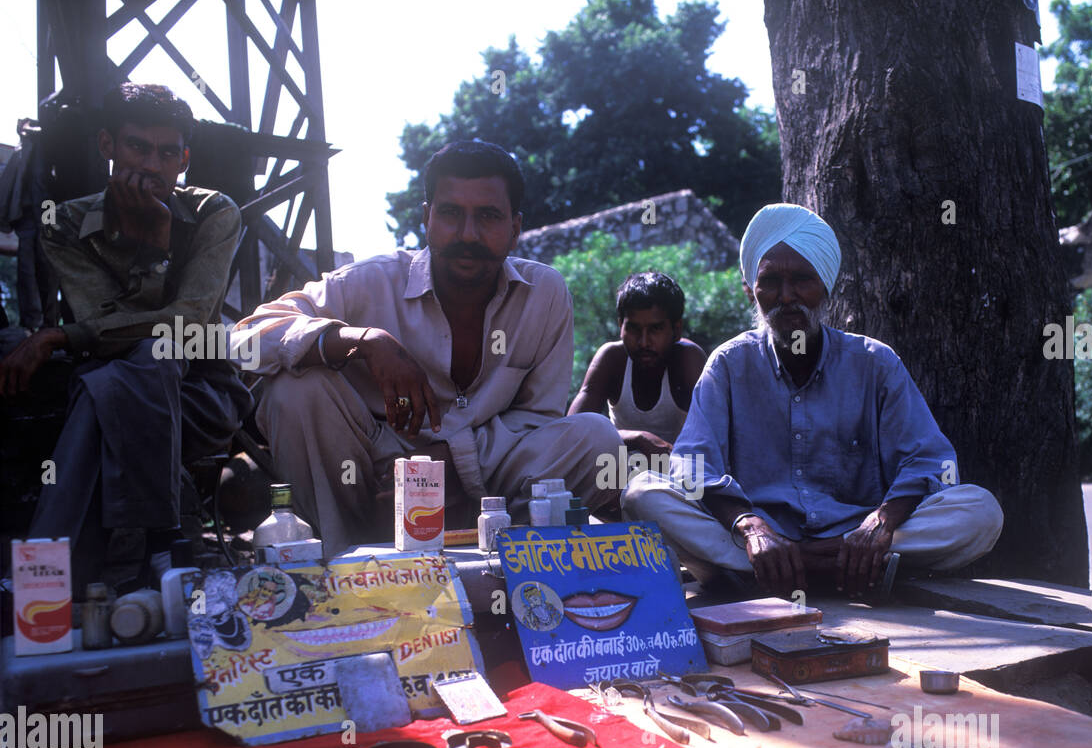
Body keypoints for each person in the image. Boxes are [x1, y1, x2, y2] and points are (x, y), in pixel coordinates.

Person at [231, 140, 621, 557]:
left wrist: (450, 464)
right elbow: (246, 338)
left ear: (515, 229)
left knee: (598, 439)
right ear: (426, 218)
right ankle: (346, 563)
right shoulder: (370, 281)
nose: (468, 235)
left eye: (488, 217)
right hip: (372, 472)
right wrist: (363, 341)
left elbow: (538, 418)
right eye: (451, 213)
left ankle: (511, 560)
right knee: (294, 391)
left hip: (489, 481)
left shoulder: (544, 292)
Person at [622, 202, 1004, 598]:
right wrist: (752, 528)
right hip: (761, 540)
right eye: (770, 282)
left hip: (859, 535)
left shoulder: (874, 363)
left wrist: (881, 523)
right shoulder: (729, 364)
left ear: (826, 285)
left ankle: (794, 569)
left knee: (980, 511)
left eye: (802, 279)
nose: (786, 297)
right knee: (642, 494)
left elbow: (930, 462)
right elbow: (691, 466)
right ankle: (833, 570)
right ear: (751, 291)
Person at [0, 83, 251, 591]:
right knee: (134, 368)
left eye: (166, 154)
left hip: (203, 398)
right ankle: (165, 544)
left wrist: (158, 247)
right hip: (106, 388)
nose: (152, 166)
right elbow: (102, 328)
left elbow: (189, 324)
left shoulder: (214, 213)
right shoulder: (65, 223)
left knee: (146, 361)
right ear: (107, 145)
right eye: (138, 147)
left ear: (184, 159)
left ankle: (44, 579)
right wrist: (83, 334)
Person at [568, 271, 706, 455]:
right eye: (633, 329)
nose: (643, 342)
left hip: (681, 475)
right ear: (620, 326)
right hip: (618, 476)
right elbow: (572, 430)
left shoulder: (688, 359)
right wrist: (636, 439)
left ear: (676, 329)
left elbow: (716, 432)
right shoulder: (612, 359)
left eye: (655, 329)